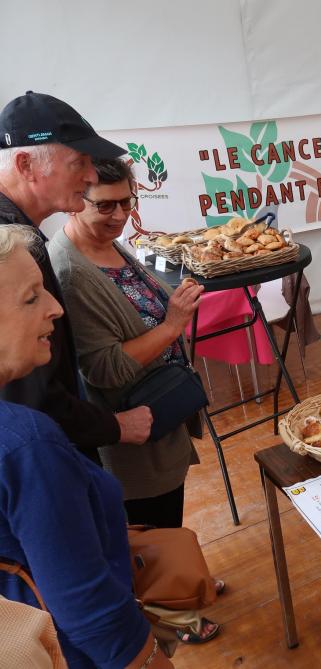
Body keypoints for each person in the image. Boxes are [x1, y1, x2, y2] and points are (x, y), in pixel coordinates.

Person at [0, 224, 173, 668]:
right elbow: (91, 611)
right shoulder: (27, 445)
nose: (55, 308)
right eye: (31, 298)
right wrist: (151, 659)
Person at [49, 157, 203, 531]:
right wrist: (172, 325)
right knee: (152, 536)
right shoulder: (71, 274)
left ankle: (173, 566)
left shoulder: (107, 244)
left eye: (126, 201)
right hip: (134, 447)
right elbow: (104, 369)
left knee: (167, 524)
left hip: (160, 421)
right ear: (74, 201)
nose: (120, 215)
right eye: (105, 205)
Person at [0, 91, 152, 464]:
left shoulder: (24, 232)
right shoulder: (10, 248)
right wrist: (114, 427)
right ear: (25, 164)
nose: (91, 175)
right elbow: (28, 391)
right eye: (78, 162)